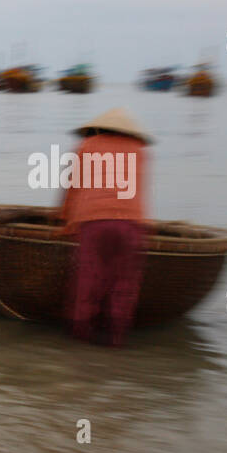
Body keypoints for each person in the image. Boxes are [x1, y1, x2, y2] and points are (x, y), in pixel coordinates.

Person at [56, 108, 152, 346]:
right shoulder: (140, 151)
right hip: (132, 224)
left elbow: (73, 187)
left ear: (97, 129)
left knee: (88, 279)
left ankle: (80, 336)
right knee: (125, 283)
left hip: (94, 222)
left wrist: (65, 221)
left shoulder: (88, 146)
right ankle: (116, 337)